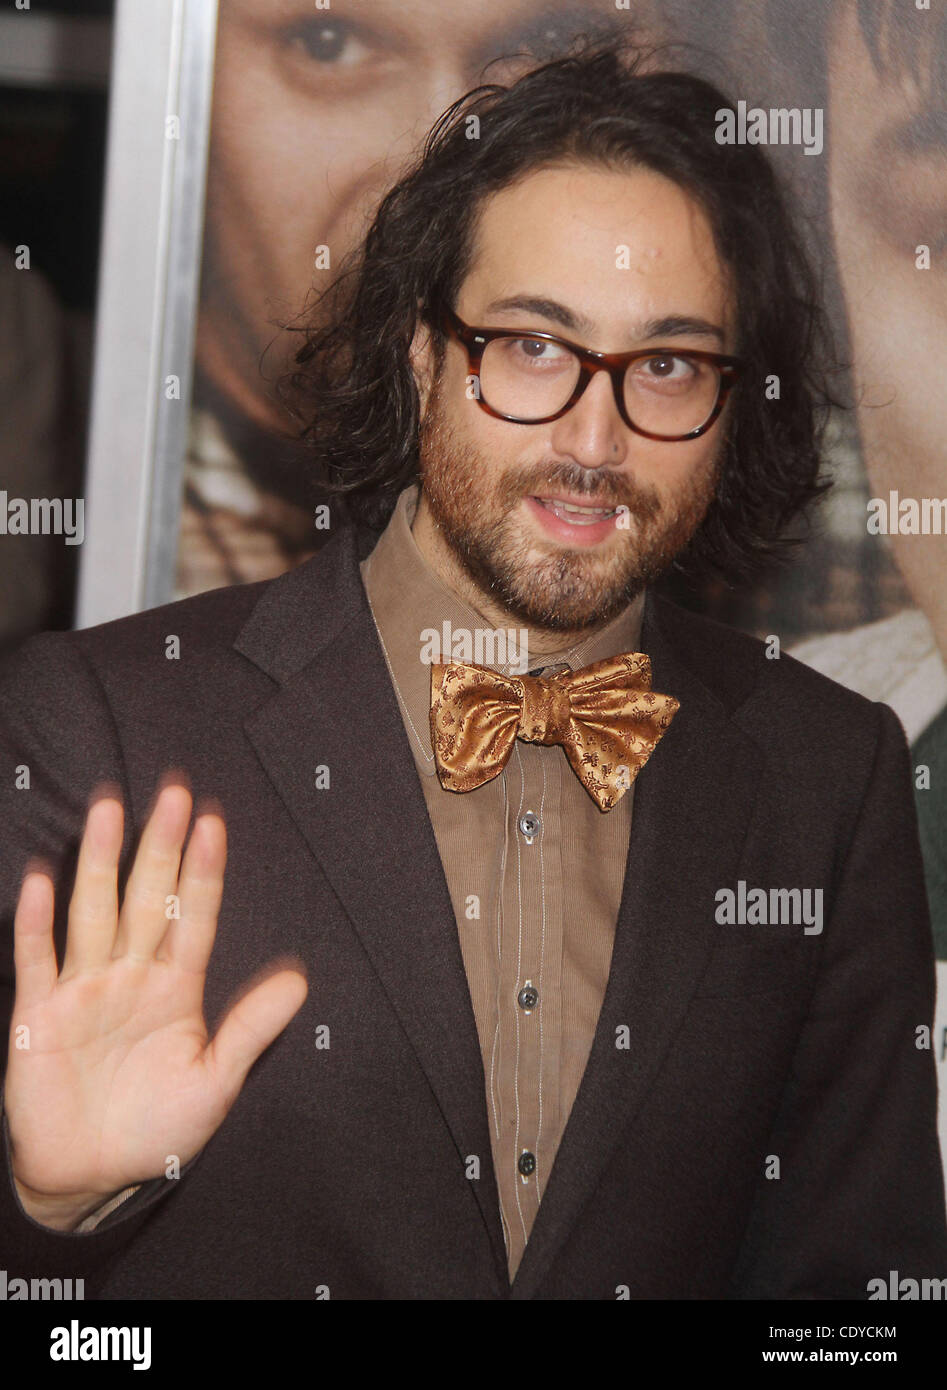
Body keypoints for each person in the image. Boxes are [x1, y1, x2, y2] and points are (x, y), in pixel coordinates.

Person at [1, 43, 945, 1299]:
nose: (594, 439)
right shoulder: (103, 725)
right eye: (533, 346)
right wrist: (44, 1211)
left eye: (665, 364)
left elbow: (852, 1296)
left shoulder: (827, 774)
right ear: (416, 348)